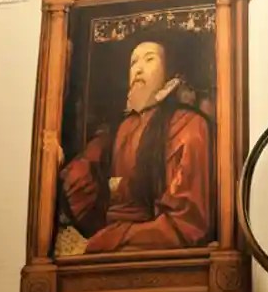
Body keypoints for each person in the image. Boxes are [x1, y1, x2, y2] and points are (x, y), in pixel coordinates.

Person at [56, 31, 213, 254]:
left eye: (149, 59)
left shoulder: (189, 126)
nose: (138, 69)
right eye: (133, 62)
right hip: (111, 237)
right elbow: (83, 171)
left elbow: (186, 224)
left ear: (171, 76)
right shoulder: (122, 128)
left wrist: (104, 242)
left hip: (153, 244)